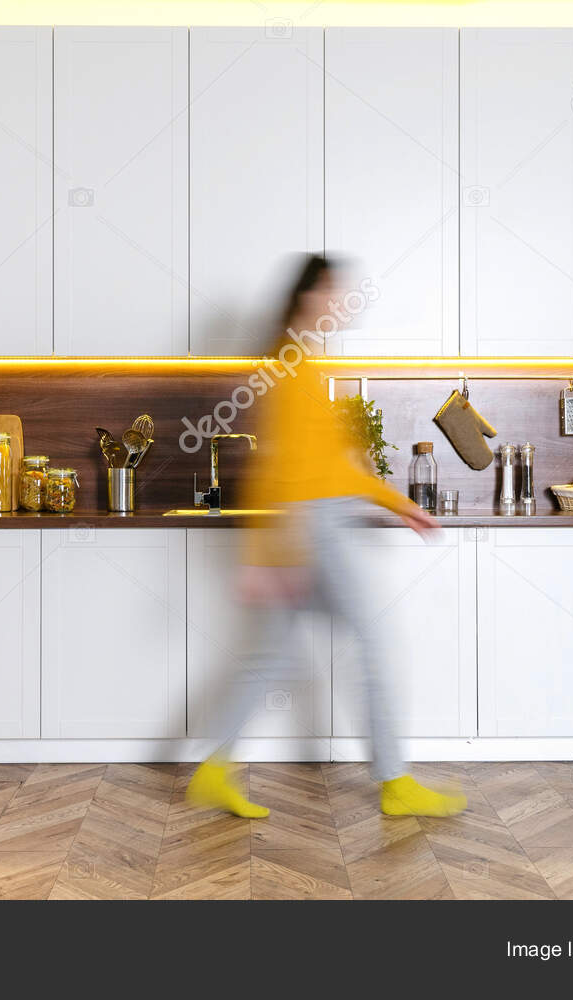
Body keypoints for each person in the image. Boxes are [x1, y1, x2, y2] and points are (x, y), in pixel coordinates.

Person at [185, 254, 468, 819]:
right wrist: (269, 552)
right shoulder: (292, 368)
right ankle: (396, 782)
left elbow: (320, 465)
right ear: (307, 296)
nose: (341, 302)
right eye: (333, 292)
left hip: (309, 521)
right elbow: (288, 469)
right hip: (313, 525)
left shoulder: (299, 363)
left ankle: (214, 770)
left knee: (273, 654)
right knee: (374, 640)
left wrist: (395, 502)